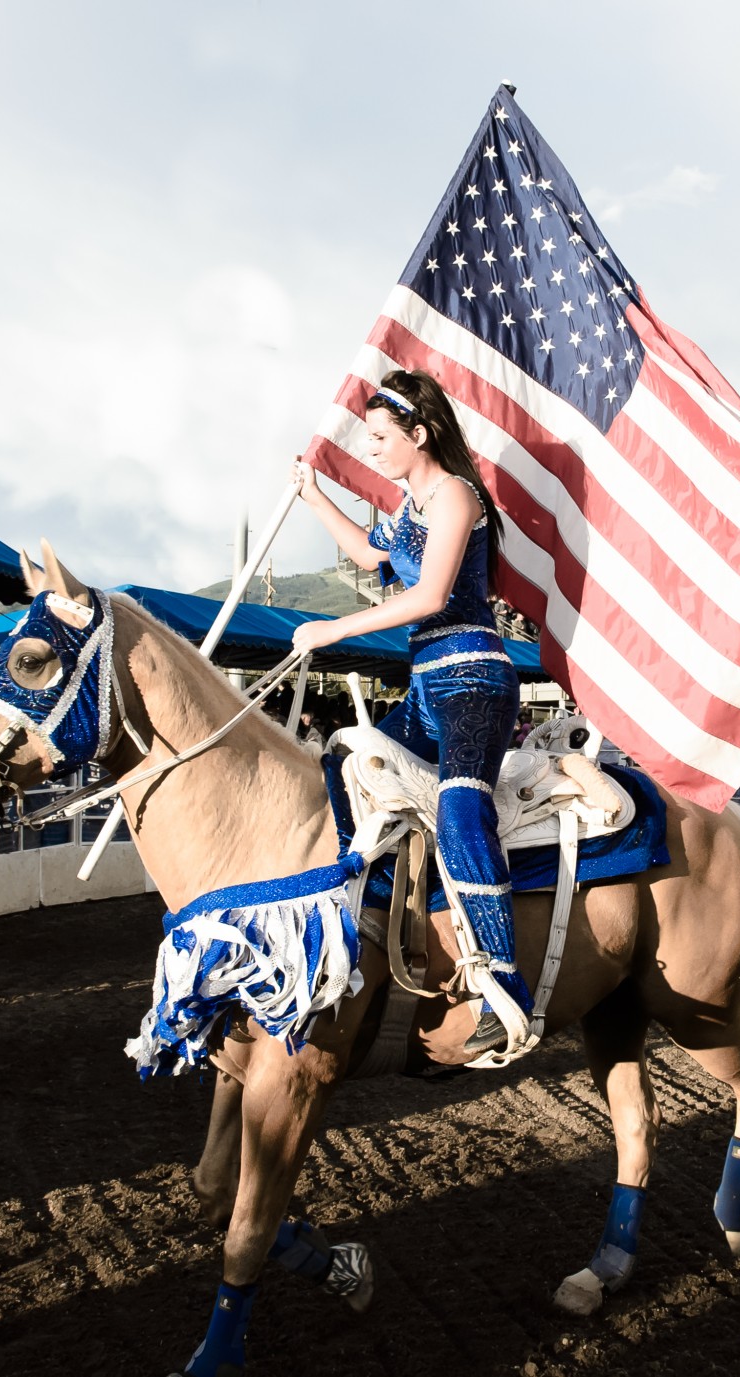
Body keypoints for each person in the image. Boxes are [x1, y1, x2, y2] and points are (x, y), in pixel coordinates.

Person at [290, 368, 522, 1055]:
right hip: (425, 688)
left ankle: (505, 986)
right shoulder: (408, 507)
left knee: (459, 807)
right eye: (368, 437)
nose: (371, 449)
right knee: (346, 762)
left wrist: (330, 631)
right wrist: (313, 495)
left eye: (382, 437)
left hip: (475, 679)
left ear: (420, 434)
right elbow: (368, 554)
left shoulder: (456, 495)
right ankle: (373, 915)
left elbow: (428, 596)